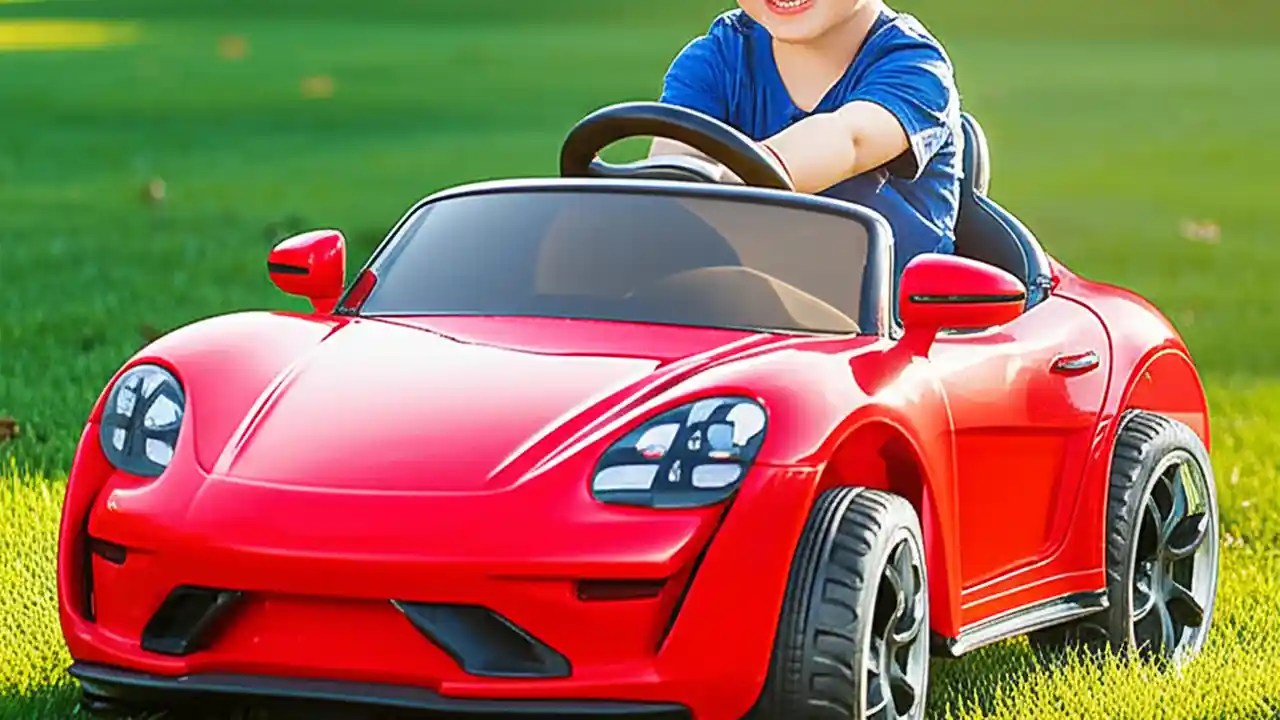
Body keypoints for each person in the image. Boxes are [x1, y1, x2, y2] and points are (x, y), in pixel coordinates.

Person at [651, 0, 962, 280]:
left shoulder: (915, 69)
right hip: (736, 300)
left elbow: (851, 140)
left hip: (881, 309)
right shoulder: (717, 57)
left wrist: (717, 182)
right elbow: (672, 173)